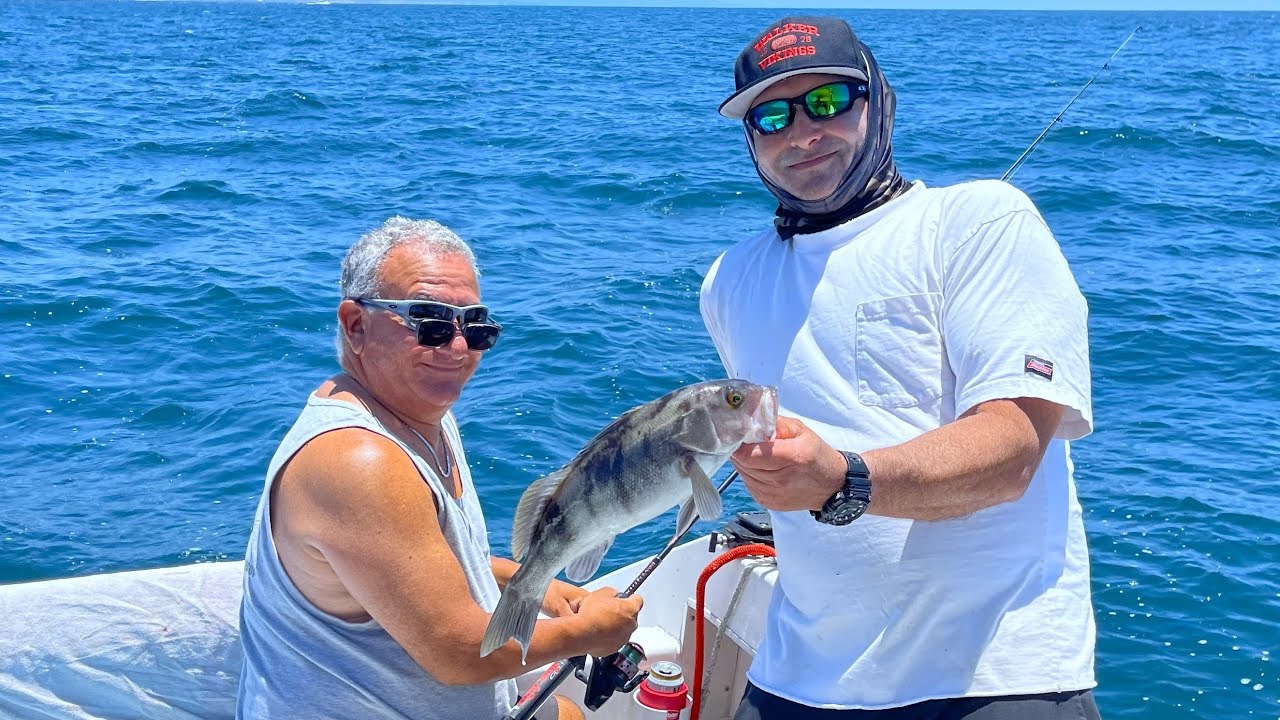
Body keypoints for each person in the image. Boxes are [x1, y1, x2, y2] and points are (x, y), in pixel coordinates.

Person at [700, 17, 1101, 720]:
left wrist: (840, 480)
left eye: (827, 102)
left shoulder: (982, 222)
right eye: (770, 116)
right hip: (795, 677)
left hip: (992, 677)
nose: (800, 133)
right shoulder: (728, 281)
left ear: (879, 100)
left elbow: (1010, 450)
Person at [237, 217, 642, 720]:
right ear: (355, 325)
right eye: (428, 322)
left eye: (475, 328)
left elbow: (435, 561)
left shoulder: (420, 417)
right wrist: (588, 632)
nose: (456, 348)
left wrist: (542, 586)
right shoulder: (359, 461)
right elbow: (456, 654)